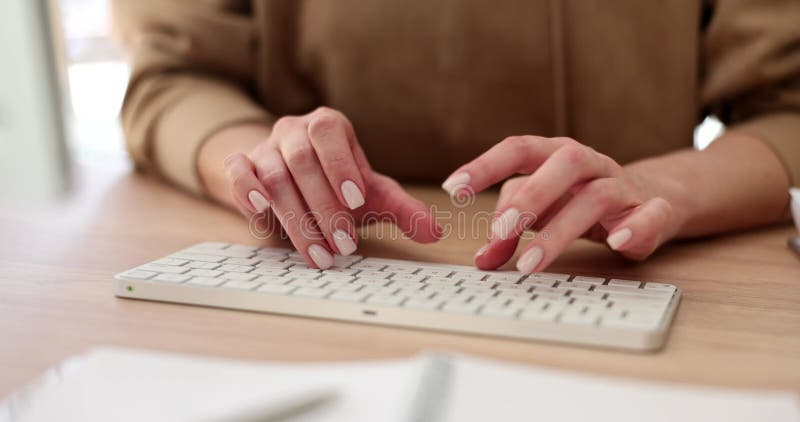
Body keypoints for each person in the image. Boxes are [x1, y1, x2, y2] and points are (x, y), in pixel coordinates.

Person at [113, 1, 799, 272]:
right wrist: (268, 168)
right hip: (326, 280)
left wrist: (663, 188)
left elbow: (788, 105)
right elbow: (174, 77)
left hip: (619, 280)